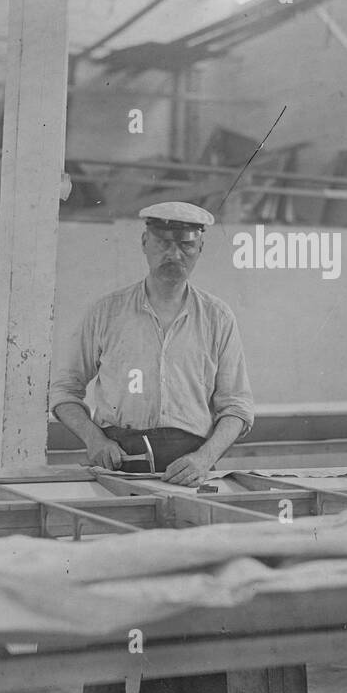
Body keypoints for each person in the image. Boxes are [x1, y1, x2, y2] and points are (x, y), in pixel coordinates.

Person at [49, 201, 254, 487]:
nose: (174, 254)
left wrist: (204, 459)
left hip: (189, 469)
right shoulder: (107, 312)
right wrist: (94, 439)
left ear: (200, 249)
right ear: (145, 242)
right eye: (163, 243)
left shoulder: (217, 317)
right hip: (117, 466)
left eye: (186, 245)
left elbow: (237, 406)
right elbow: (63, 390)